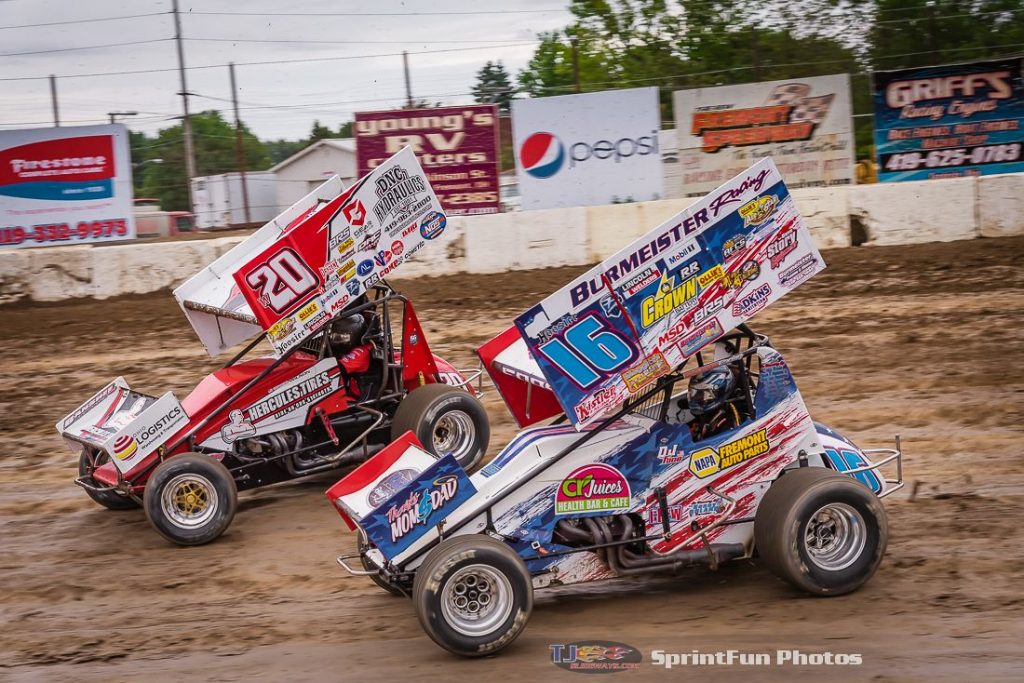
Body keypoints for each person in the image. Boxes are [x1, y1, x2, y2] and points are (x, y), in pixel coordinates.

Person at [687, 366, 742, 441]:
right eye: (694, 393)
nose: (696, 397)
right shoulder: (712, 412)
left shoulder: (728, 423)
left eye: (700, 394)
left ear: (717, 393)